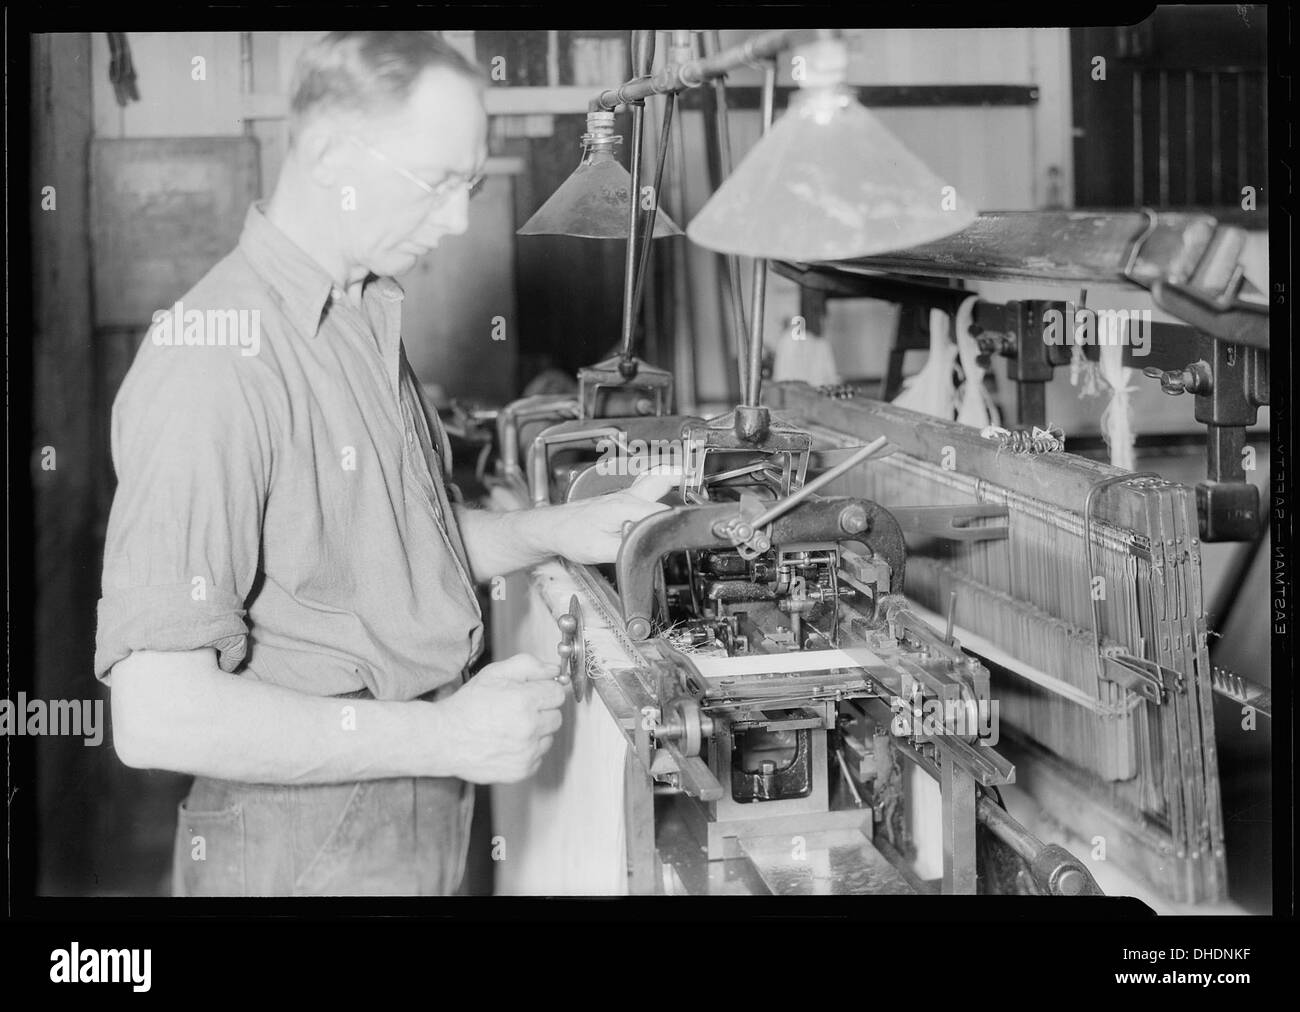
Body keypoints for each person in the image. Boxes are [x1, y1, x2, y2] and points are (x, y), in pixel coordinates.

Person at [94, 30, 670, 896]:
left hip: (412, 795)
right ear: (328, 153)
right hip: (299, 829)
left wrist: (559, 529)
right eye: (437, 183)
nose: (457, 219)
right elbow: (156, 714)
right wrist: (442, 739)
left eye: (468, 186)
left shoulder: (361, 316)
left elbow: (390, 559)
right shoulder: (212, 360)